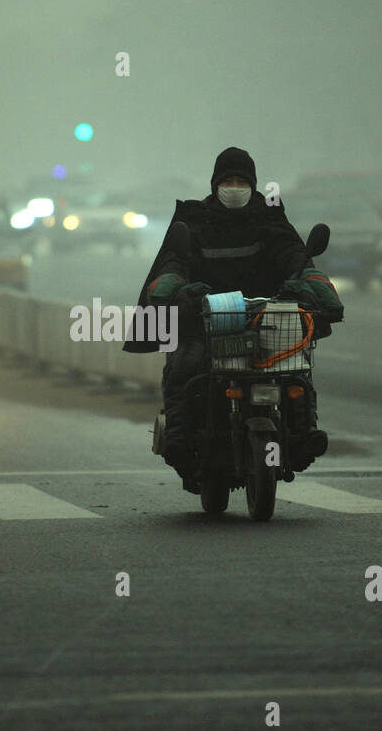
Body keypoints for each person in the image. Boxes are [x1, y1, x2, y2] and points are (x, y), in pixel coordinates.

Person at [124, 146, 344, 483]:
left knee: (298, 369)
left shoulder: (269, 219)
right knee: (184, 364)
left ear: (254, 185)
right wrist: (173, 289)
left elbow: (297, 258)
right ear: (215, 183)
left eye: (242, 180)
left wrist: (318, 289)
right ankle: (180, 440)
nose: (235, 186)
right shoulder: (195, 221)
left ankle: (303, 434)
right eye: (229, 180)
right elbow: (173, 265)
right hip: (207, 321)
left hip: (265, 320)